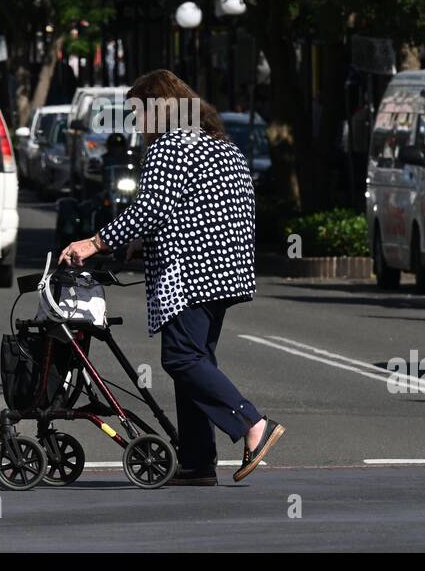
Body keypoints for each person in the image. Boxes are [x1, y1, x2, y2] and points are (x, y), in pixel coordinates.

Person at [59, 69, 284, 485]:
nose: (135, 122)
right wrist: (142, 241)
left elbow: (151, 208)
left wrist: (96, 242)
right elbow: (199, 205)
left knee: (180, 358)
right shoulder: (217, 144)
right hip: (227, 269)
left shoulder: (170, 147)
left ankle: (252, 423)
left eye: (138, 112)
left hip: (192, 271)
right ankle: (198, 463)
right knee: (196, 360)